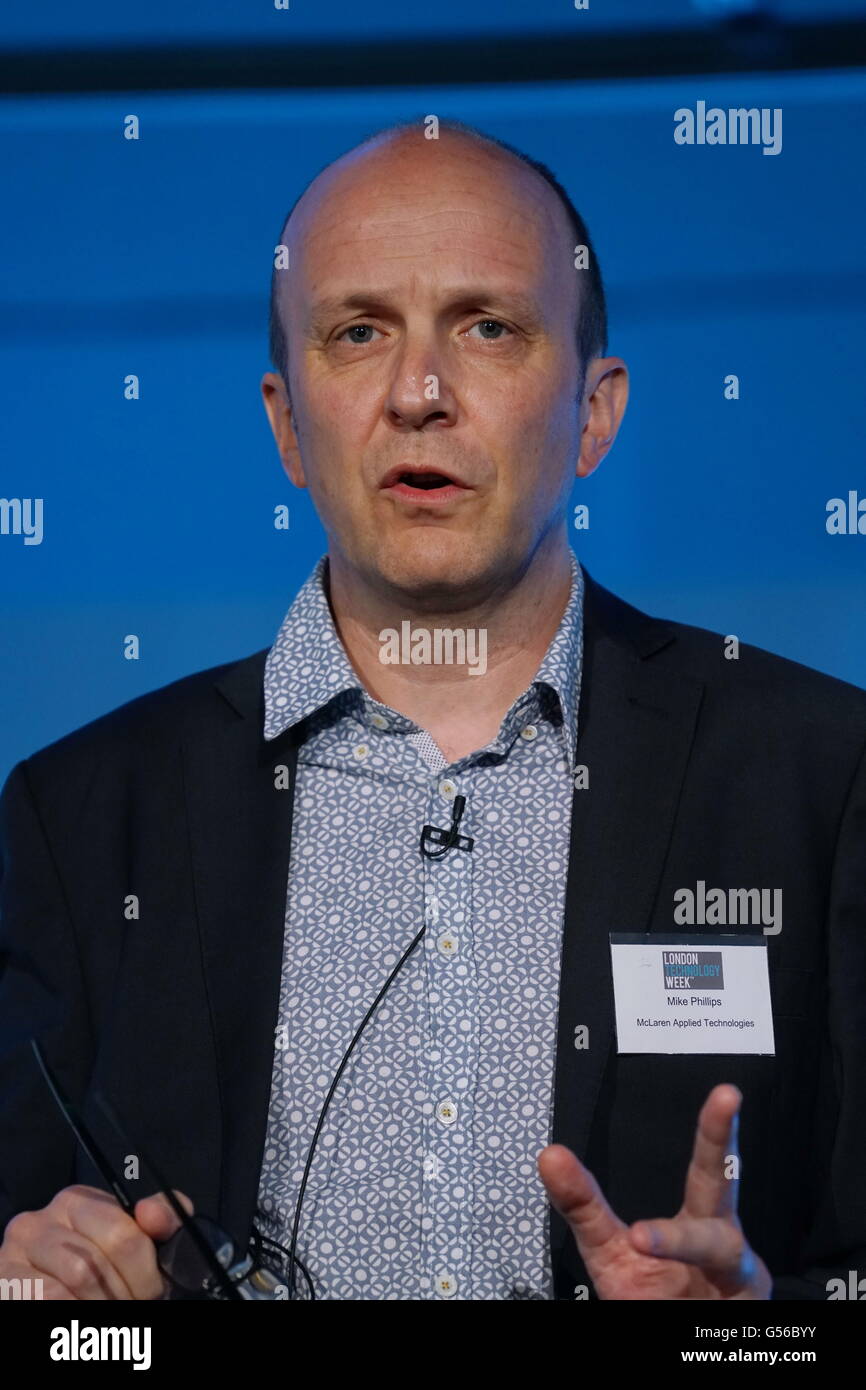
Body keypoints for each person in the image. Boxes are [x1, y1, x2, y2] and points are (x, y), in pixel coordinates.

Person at [0, 119, 864, 1301]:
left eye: (487, 328)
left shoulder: (822, 773)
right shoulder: (81, 815)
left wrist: (748, 1337)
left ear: (595, 412)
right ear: (287, 423)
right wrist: (50, 1304)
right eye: (358, 332)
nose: (418, 393)